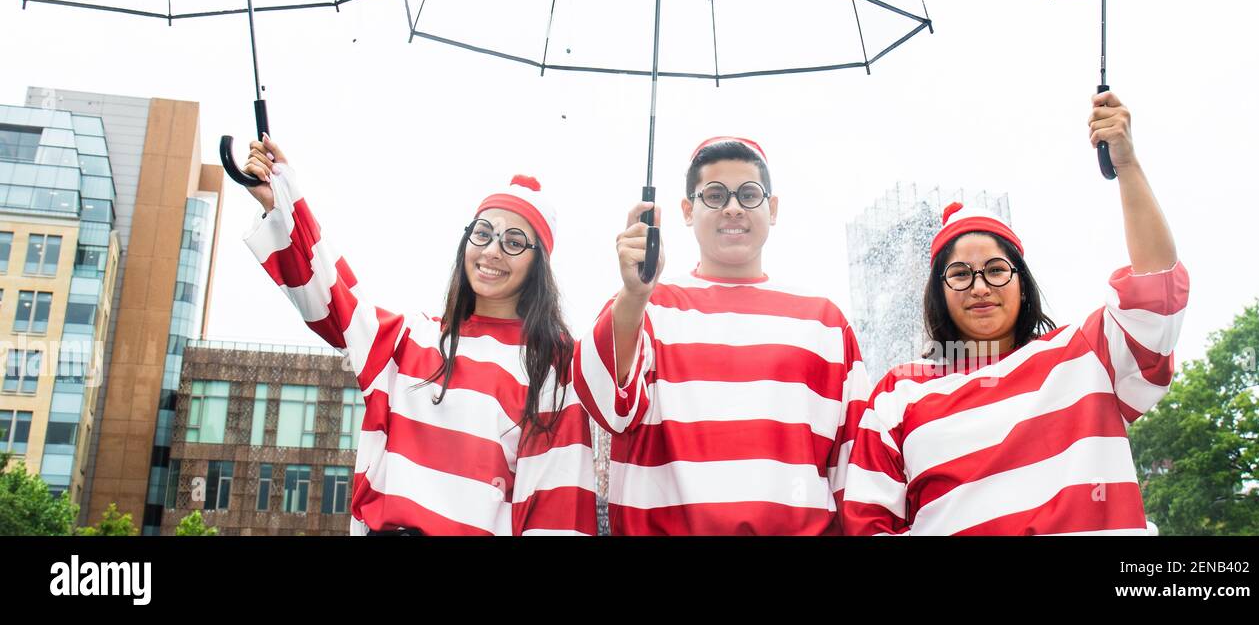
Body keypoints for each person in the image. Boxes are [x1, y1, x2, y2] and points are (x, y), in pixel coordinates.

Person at [841, 92, 1189, 535]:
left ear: (1022, 282)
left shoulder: (1086, 353)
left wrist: (1127, 162)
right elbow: (867, 523)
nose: (980, 286)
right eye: (961, 274)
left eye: (996, 270)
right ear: (938, 292)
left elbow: (1156, 286)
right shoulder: (898, 394)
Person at [241, 135, 597, 535]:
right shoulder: (411, 338)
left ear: (539, 264)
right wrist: (281, 201)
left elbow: (557, 513)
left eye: (514, 242)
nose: (492, 251)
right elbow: (332, 295)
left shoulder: (554, 366)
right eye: (482, 233)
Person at [571, 136, 868, 535]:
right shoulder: (648, 307)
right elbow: (602, 400)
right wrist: (634, 294)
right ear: (688, 210)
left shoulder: (825, 322)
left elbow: (858, 468)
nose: (732, 207)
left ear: (772, 208)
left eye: (748, 194)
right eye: (714, 195)